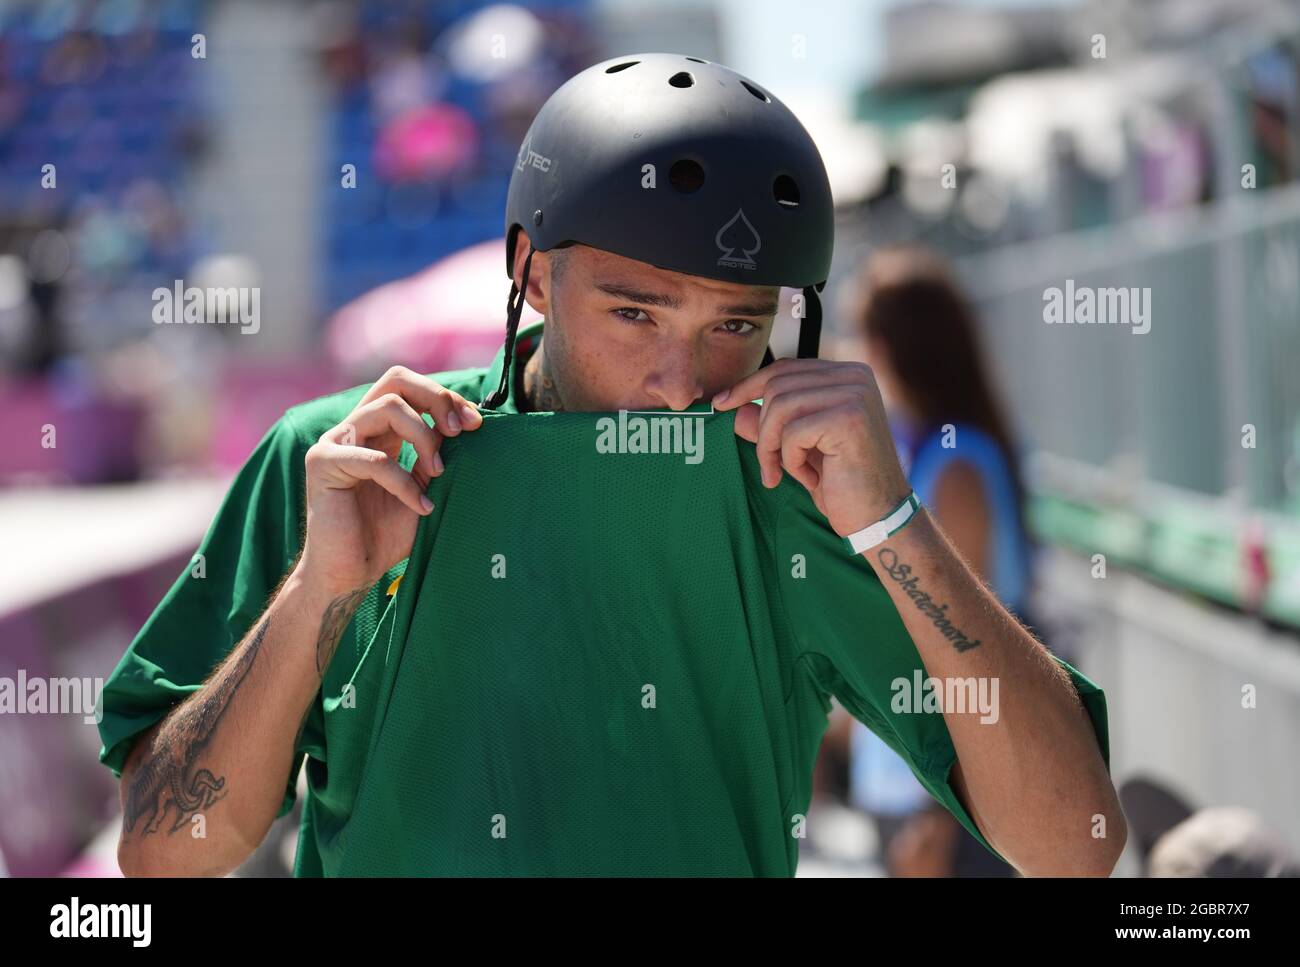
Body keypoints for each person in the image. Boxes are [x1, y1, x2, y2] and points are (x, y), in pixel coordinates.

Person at [96, 53, 1123, 876]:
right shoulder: (346, 464)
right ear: (531, 272)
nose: (681, 379)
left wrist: (893, 523)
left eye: (735, 323)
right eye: (635, 312)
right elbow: (162, 856)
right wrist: (318, 591)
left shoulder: (796, 486)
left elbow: (1071, 844)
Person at [837, 247, 1035, 876]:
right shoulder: (927, 450)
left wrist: (940, 811)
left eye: (858, 332)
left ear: (890, 346)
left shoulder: (956, 467)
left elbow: (961, 650)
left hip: (945, 798)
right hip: (911, 779)